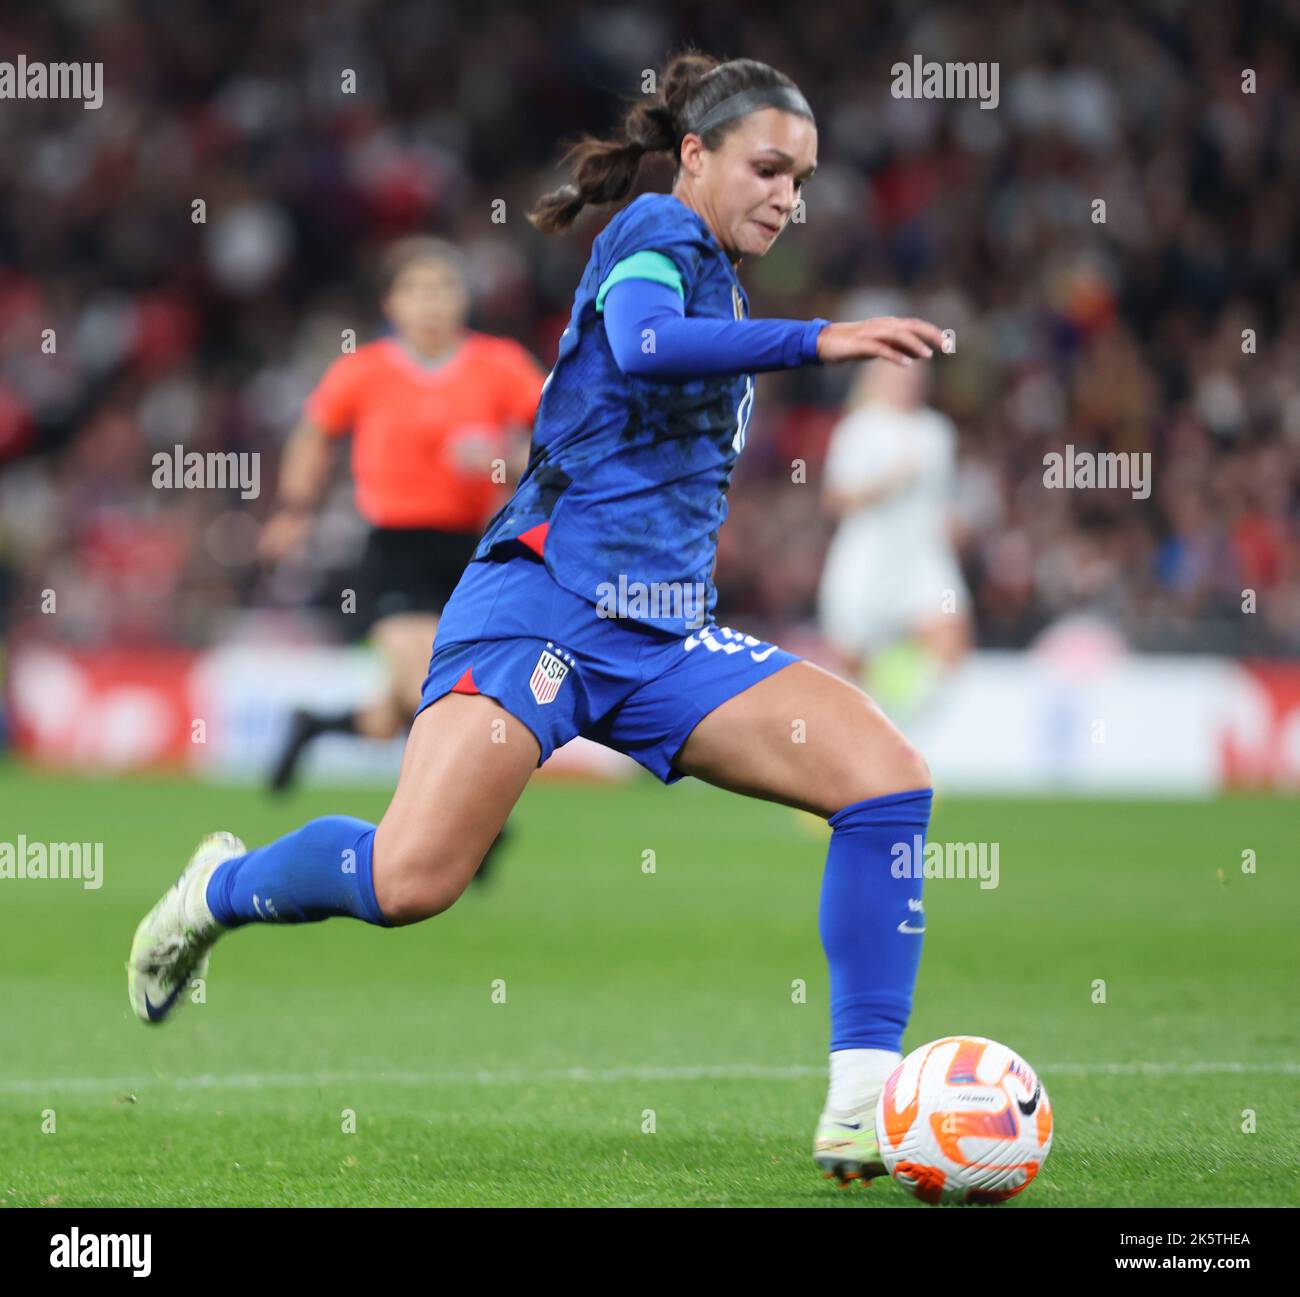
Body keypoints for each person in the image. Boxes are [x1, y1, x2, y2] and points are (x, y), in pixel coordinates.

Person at [126, 51, 946, 1190]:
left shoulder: (719, 271)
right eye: (767, 167)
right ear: (696, 156)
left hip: (661, 634)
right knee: (410, 882)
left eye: (801, 180)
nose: (786, 197)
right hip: (539, 611)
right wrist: (823, 338)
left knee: (885, 780)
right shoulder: (653, 236)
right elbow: (648, 348)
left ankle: (862, 1108)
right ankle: (216, 891)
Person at [260, 238, 544, 800]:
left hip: (474, 550)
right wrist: (294, 511)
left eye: (444, 288)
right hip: (395, 547)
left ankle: (312, 727)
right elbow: (314, 434)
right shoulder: (364, 371)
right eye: (416, 290)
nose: (432, 302)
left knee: (399, 707)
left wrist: (501, 452)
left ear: (464, 298)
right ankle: (471, 821)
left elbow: (556, 434)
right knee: (429, 691)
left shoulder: (500, 364)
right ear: (391, 304)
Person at [818, 358, 972, 720]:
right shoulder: (859, 428)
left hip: (922, 555)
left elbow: (942, 499)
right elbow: (835, 499)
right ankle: (874, 732)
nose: (908, 383)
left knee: (950, 638)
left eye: (915, 376)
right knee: (851, 659)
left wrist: (954, 525)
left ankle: (914, 729)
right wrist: (885, 484)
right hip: (867, 557)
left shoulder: (937, 431)